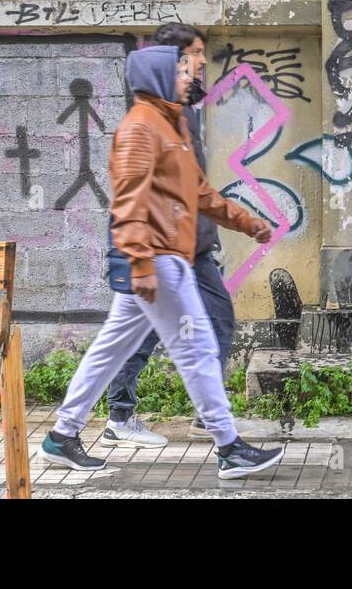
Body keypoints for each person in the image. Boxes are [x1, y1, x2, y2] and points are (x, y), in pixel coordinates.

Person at [41, 44, 284, 479]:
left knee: (110, 349)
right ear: (154, 77)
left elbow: (201, 193)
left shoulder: (169, 125)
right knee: (198, 349)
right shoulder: (140, 128)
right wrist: (140, 263)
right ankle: (228, 446)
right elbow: (129, 201)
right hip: (158, 259)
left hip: (159, 259)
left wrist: (248, 223)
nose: (186, 78)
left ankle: (62, 435)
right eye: (177, 73)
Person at [101, 23, 235, 449]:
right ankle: (117, 417)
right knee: (139, 333)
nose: (202, 63)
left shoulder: (184, 107)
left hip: (190, 245)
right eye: (195, 54)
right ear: (175, 59)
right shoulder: (155, 113)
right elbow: (138, 192)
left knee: (217, 321)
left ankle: (207, 417)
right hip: (161, 244)